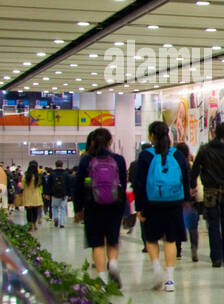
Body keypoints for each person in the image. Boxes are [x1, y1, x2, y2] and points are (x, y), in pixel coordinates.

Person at [132, 120, 190, 293]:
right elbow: (185, 178)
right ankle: (170, 280)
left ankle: (157, 268)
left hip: (152, 203)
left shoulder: (146, 156)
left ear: (151, 136)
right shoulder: (177, 154)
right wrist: (185, 200)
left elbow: (139, 183)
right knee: (170, 240)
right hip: (174, 203)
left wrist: (139, 207)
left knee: (151, 238)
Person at [74, 128, 128, 287]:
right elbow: (123, 184)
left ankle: (103, 278)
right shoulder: (118, 159)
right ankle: (113, 263)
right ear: (110, 141)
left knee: (97, 243)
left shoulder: (86, 160)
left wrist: (78, 209)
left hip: (93, 206)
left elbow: (79, 186)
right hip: (115, 205)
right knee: (112, 239)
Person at [190, 120, 224, 267]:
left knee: (213, 223)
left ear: (213, 133)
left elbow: (195, 170)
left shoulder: (204, 149)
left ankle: (216, 258)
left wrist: (193, 184)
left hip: (210, 190)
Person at [175, 142, 201, 262]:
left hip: (177, 198)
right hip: (190, 199)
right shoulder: (190, 165)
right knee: (193, 226)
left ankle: (178, 250)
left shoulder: (174, 165)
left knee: (177, 224)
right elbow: (194, 182)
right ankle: (194, 248)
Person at [20, 161, 44, 231]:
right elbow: (40, 184)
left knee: (28, 211)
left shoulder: (26, 176)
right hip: (36, 195)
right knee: (35, 210)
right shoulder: (38, 176)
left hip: (27, 195)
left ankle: (29, 225)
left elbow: (22, 186)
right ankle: (34, 224)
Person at [47, 159, 69, 228]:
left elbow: (49, 184)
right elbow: (69, 184)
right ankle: (62, 223)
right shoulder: (66, 173)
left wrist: (48, 194)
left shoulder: (52, 174)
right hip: (64, 194)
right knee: (63, 208)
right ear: (62, 165)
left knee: (54, 207)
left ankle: (56, 218)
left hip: (54, 194)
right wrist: (69, 194)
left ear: (55, 165)